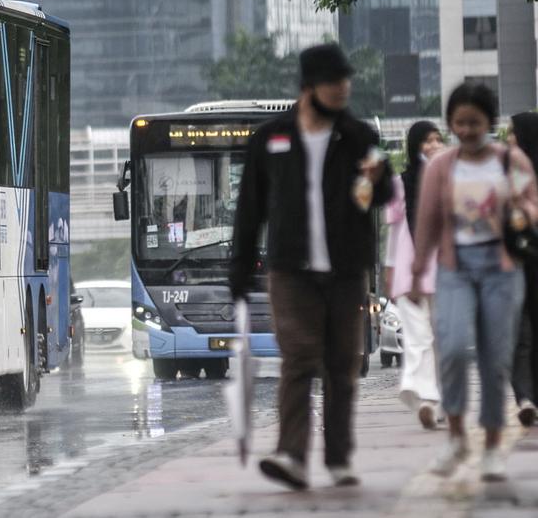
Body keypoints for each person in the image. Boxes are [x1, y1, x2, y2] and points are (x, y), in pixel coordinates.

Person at [230, 42, 393, 490]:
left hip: (346, 271)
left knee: (342, 365)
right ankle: (292, 455)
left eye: (345, 80)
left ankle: (339, 458)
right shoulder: (271, 138)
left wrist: (379, 181)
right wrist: (240, 270)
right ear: (308, 87)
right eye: (332, 81)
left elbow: (383, 196)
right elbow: (251, 208)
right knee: (300, 359)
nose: (342, 88)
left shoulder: (360, 136)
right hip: (291, 272)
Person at [412, 83, 538, 482]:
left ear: (490, 122)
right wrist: (417, 271)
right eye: (459, 123)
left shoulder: (510, 160)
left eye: (475, 122)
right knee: (450, 348)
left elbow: (532, 202)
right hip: (456, 267)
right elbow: (427, 219)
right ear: (451, 123)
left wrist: (524, 214)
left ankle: (491, 448)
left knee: (494, 356)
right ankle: (455, 436)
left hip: (501, 268)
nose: (466, 130)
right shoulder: (441, 167)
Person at [383, 121, 444, 429]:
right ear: (414, 146)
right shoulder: (399, 183)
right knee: (419, 339)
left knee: (442, 340)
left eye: (437, 139)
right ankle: (426, 399)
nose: (432, 146)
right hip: (410, 271)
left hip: (447, 270)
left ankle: (435, 399)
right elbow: (393, 231)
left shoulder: (452, 178)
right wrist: (390, 268)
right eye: (426, 141)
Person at [509, 111, 538, 427]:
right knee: (521, 332)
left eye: (514, 133)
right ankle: (525, 397)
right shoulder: (511, 172)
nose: (509, 140)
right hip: (516, 261)